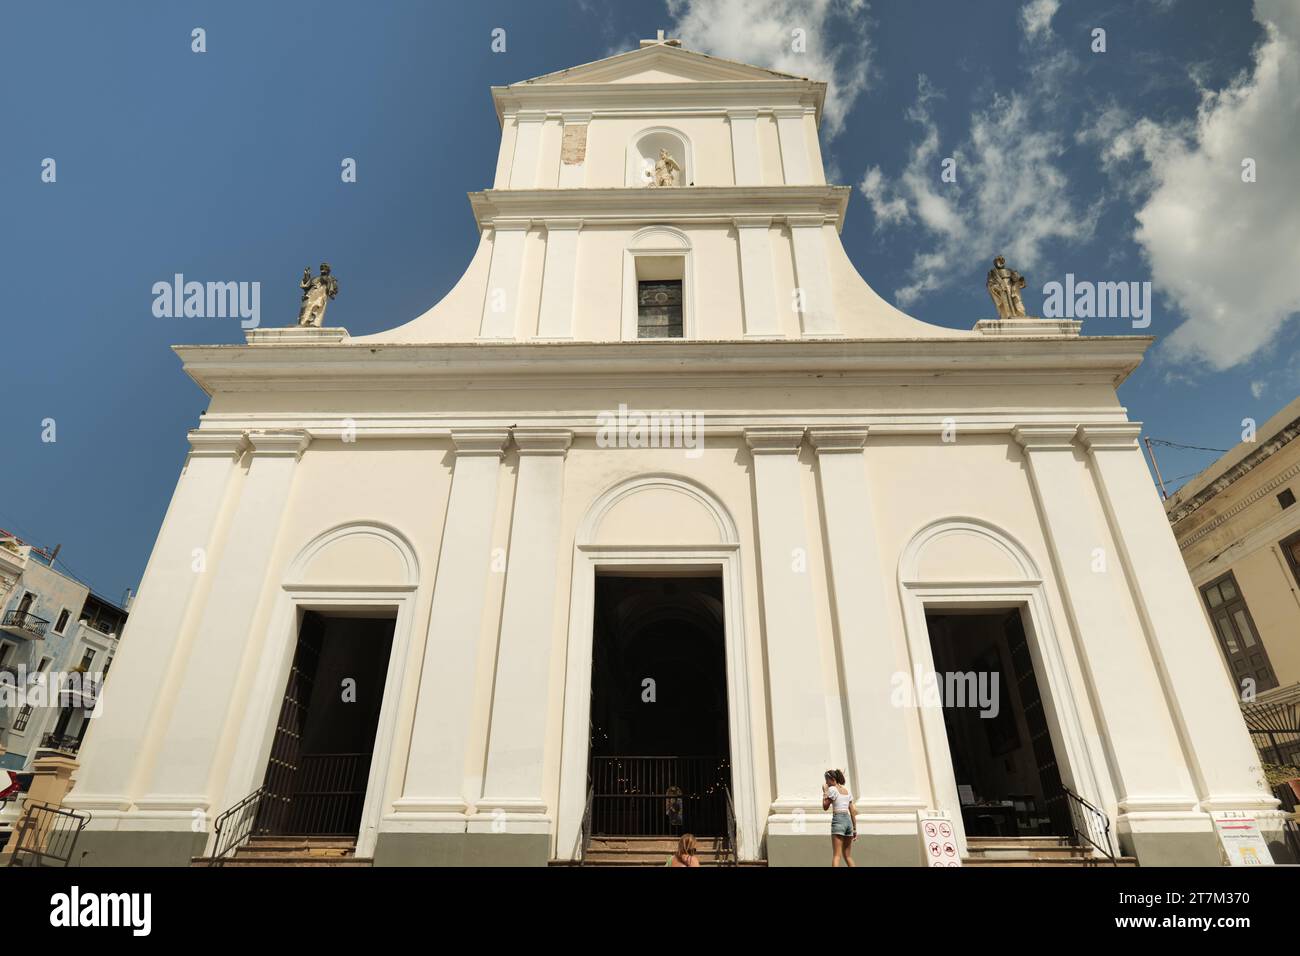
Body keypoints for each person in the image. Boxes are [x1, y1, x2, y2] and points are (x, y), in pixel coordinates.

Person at [822, 769, 857, 867]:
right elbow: (852, 812)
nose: (826, 783)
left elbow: (825, 807)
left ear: (832, 779)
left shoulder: (832, 789)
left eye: (827, 780)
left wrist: (825, 792)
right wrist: (854, 829)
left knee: (837, 855)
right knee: (848, 856)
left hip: (838, 820)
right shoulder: (847, 791)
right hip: (848, 822)